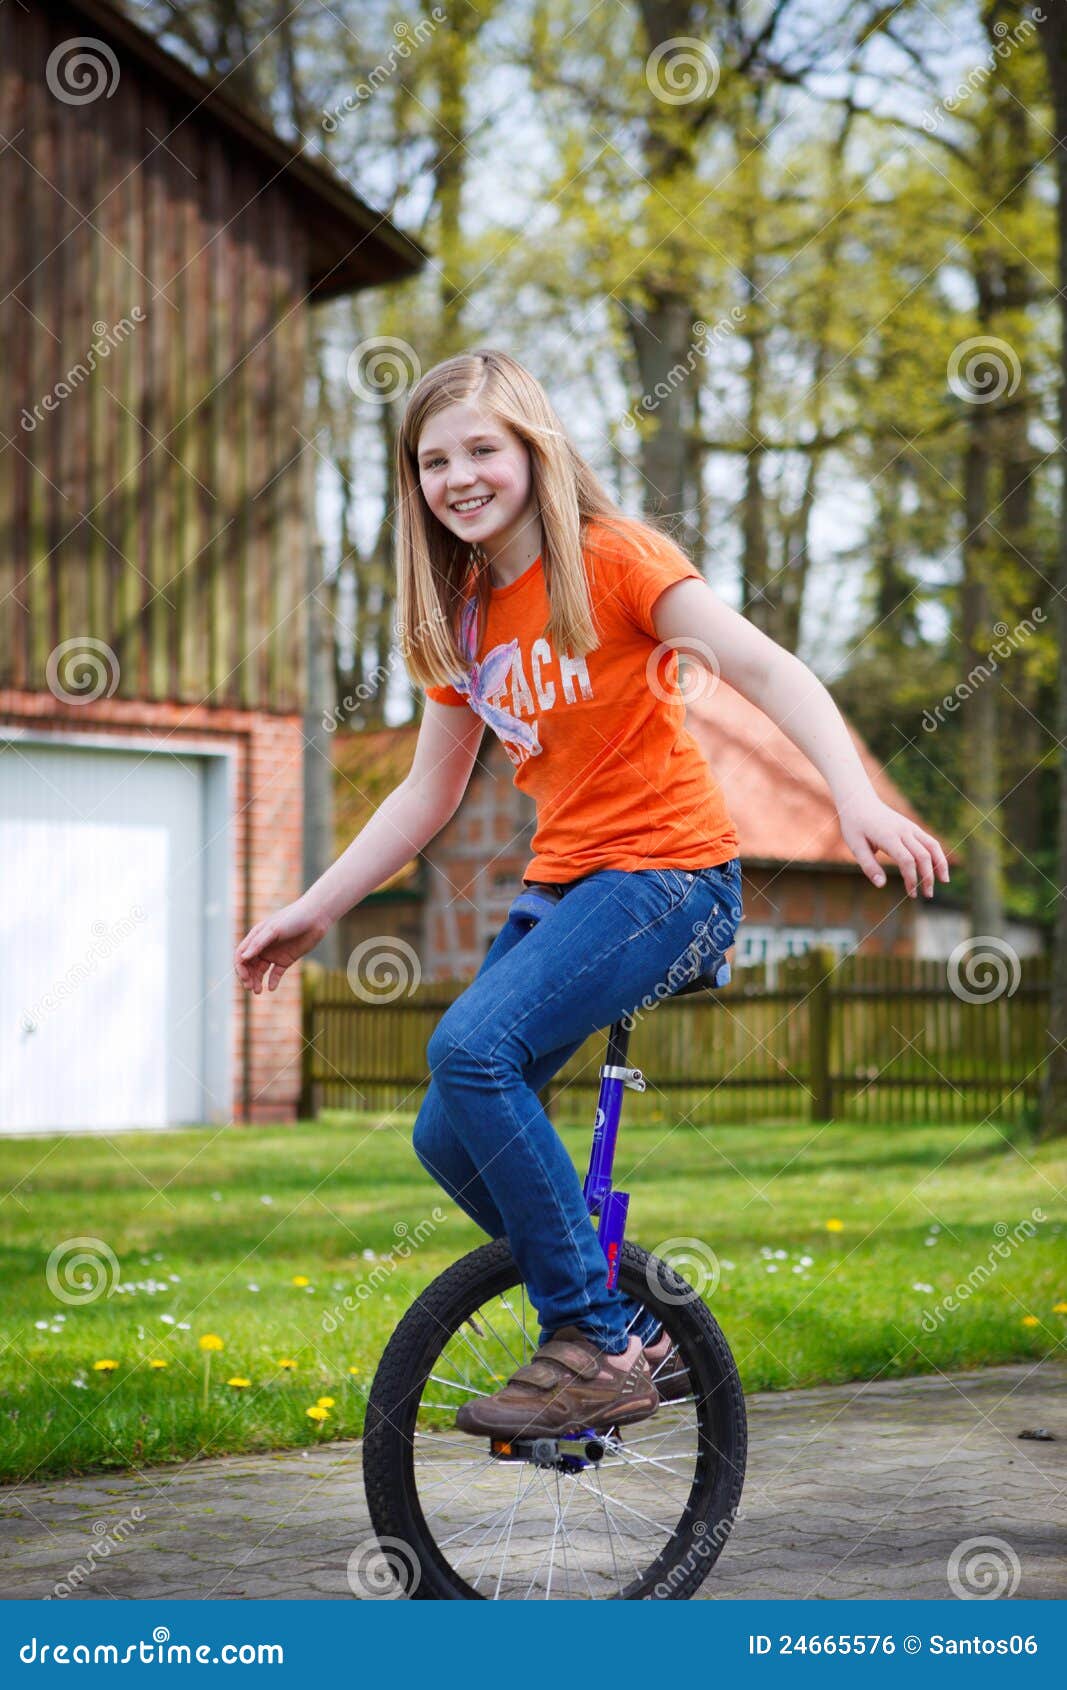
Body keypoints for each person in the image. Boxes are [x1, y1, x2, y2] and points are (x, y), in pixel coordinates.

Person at [234, 347, 950, 1441]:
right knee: (442, 1131)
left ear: (533, 449)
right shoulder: (464, 614)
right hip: (564, 887)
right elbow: (426, 794)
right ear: (412, 481)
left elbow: (767, 671)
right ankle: (626, 1326)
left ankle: (594, 1342)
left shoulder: (613, 560)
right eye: (433, 460)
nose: (459, 476)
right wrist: (315, 903)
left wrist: (849, 795)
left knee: (467, 1051)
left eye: (482, 448)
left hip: (673, 880)